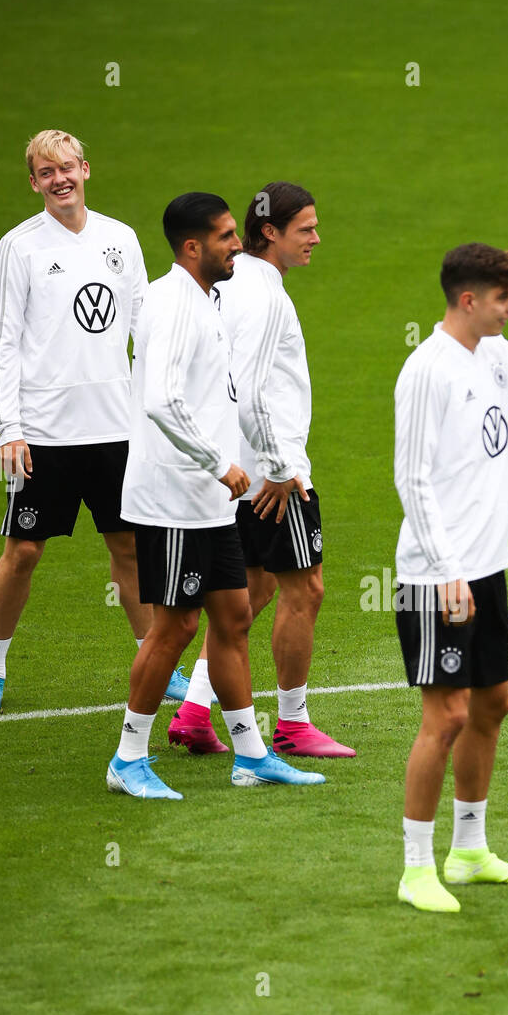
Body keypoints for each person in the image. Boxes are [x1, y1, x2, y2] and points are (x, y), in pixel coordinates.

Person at [106, 192, 325, 798]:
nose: (239, 246)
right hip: (174, 497)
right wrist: (218, 463)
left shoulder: (207, 300)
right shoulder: (174, 303)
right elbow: (161, 400)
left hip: (210, 502)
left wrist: (275, 464)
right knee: (173, 629)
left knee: (231, 616)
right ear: (193, 247)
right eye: (228, 237)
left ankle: (251, 755)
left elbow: (233, 394)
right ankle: (127, 758)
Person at [0, 130, 191, 714]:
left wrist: (164, 404)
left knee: (129, 546)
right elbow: (3, 344)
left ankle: (155, 661)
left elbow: (146, 327)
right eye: (46, 171)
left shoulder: (121, 239)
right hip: (44, 434)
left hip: (117, 428)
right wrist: (8, 429)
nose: (59, 178)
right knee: (24, 550)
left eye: (68, 167)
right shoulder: (19, 248)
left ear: (86, 169)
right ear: (34, 182)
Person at [393, 242, 508, 912]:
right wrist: (444, 571)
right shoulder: (426, 371)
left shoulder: (497, 353)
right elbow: (409, 477)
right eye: (503, 299)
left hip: (487, 568)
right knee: (444, 717)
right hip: (434, 576)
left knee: (492, 705)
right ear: (468, 300)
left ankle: (468, 851)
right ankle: (416, 868)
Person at [167, 182, 355, 759]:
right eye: (306, 230)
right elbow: (247, 392)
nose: (317, 239)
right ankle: (293, 724)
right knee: (307, 589)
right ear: (270, 232)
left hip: (232, 471)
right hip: (273, 474)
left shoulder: (230, 282)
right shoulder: (268, 294)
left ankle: (196, 713)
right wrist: (279, 466)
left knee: (252, 588)